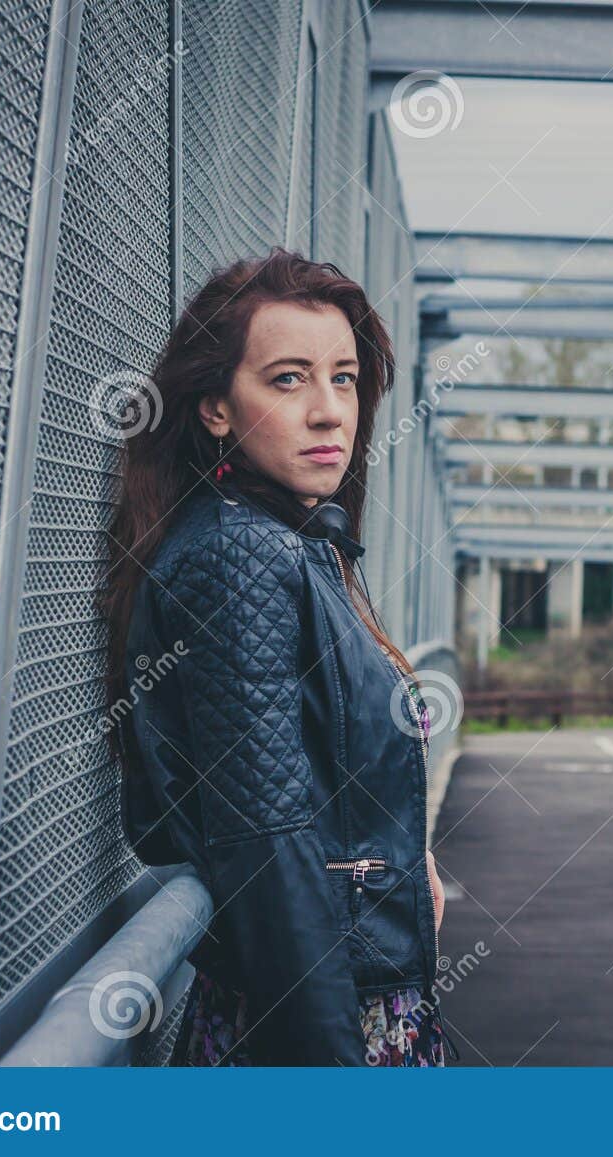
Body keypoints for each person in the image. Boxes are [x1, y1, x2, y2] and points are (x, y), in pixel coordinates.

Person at [99, 248, 456, 1066]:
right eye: (289, 379)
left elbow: (320, 780)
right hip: (314, 1026)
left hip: (342, 997)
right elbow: (268, 838)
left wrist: (407, 856)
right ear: (218, 407)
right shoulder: (244, 557)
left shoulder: (295, 546)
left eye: (345, 377)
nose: (330, 411)